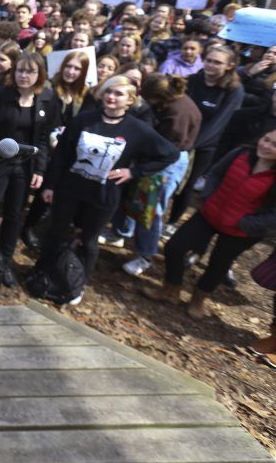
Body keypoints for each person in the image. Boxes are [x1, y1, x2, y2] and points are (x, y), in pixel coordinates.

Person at [39, 75, 178, 303]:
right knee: (56, 232)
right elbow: (62, 154)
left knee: (89, 240)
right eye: (108, 92)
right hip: (70, 189)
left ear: (130, 100)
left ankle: (76, 284)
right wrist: (50, 185)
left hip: (104, 195)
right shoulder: (84, 120)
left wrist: (133, 172)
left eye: (118, 94)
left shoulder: (137, 129)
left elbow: (169, 154)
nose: (111, 97)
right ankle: (44, 272)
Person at [143, 129, 276, 319]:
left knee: (218, 264)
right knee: (174, 247)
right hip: (210, 214)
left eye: (273, 145)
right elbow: (215, 173)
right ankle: (170, 289)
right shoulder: (241, 153)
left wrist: (244, 222)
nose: (265, 146)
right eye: (265, 139)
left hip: (242, 231)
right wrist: (208, 196)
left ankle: (198, 299)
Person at [0, 52, 60, 281]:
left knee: (14, 215)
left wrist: (40, 170)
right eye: (20, 70)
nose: (23, 76)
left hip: (24, 167)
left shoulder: (46, 98)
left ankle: (4, 262)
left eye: (30, 71)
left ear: (40, 74)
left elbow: (43, 139)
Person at [118, 73, 202, 276]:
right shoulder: (175, 101)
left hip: (166, 163)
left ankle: (145, 255)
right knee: (138, 201)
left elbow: (166, 150)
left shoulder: (178, 114)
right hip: (161, 157)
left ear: (159, 97)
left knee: (151, 209)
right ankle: (125, 231)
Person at [167, 45, 244, 232]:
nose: (210, 65)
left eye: (217, 62)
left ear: (230, 66)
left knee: (186, 185)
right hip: (178, 140)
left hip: (203, 146)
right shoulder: (193, 80)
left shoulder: (234, 90)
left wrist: (191, 145)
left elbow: (219, 122)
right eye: (208, 60)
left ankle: (172, 222)